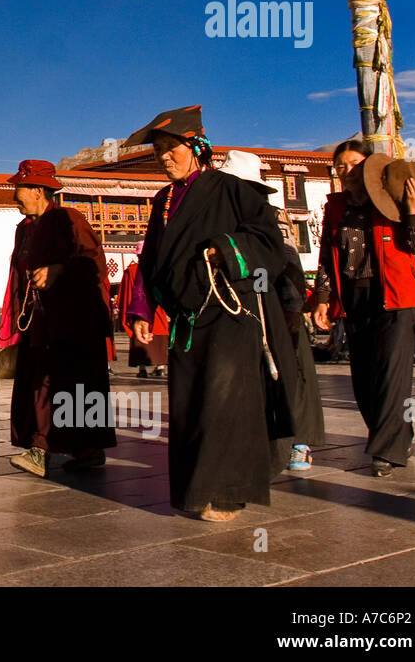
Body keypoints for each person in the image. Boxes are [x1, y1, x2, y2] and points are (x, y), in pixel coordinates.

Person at [125, 107, 299, 521]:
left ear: (196, 147)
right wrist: (142, 309)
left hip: (229, 312)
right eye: (159, 152)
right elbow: (150, 260)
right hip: (187, 318)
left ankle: (229, 494)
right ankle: (196, 489)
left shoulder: (231, 189)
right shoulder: (163, 202)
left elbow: (269, 245)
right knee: (190, 405)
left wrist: (226, 248)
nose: (164, 158)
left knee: (225, 401)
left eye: (171, 149)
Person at [313, 140, 415, 476]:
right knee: (364, 379)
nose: (347, 172)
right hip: (354, 299)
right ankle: (396, 436)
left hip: (396, 297)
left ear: (370, 166)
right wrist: (322, 299)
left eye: (354, 164)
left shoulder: (391, 200)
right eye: (340, 167)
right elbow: (325, 257)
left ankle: (387, 450)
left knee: (393, 373)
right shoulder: (335, 208)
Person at [2, 160, 116, 478]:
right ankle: (80, 450)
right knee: (41, 382)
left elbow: (93, 261)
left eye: (19, 189)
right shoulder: (24, 229)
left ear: (38, 190)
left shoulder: (69, 218)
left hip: (73, 320)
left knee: (67, 384)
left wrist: (59, 270)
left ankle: (53, 449)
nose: (14, 197)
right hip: (38, 320)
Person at [217, 150, 327, 473]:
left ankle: (300, 443)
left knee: (294, 372)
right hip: (245, 307)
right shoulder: (224, 215)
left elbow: (289, 263)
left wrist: (290, 309)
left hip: (279, 305)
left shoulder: (273, 216)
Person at [116, 242, 168, 378]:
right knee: (159, 336)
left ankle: (142, 368)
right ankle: (160, 366)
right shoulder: (159, 269)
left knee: (140, 337)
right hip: (157, 311)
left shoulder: (131, 271)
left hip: (137, 312)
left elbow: (125, 294)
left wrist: (127, 311)